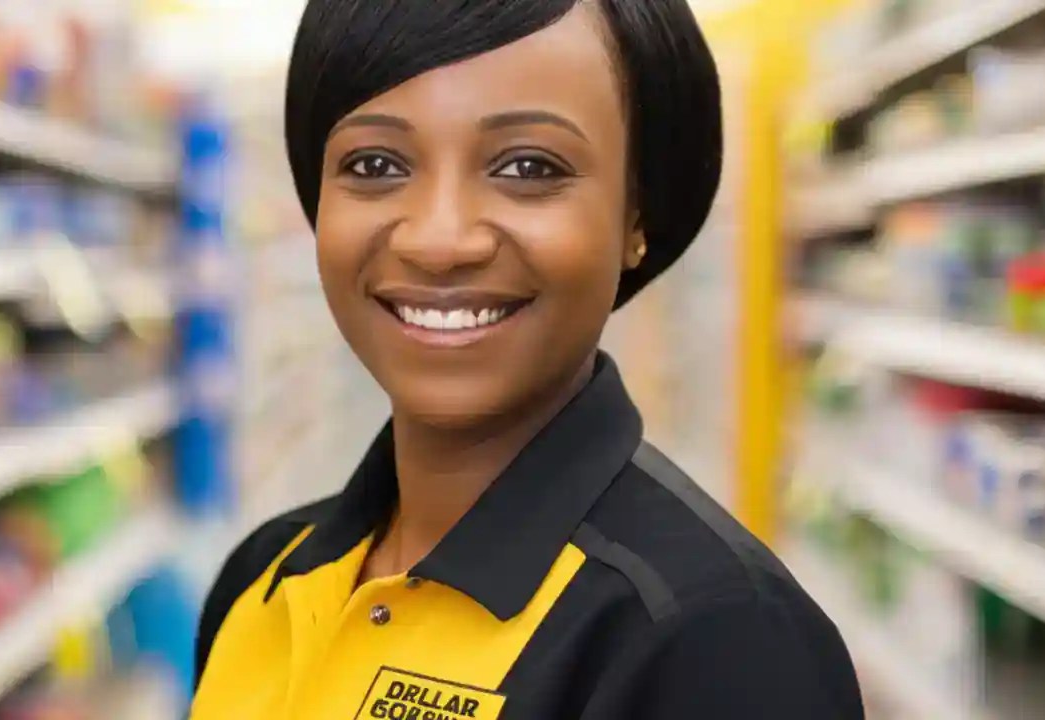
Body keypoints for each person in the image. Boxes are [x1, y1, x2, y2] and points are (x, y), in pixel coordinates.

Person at [192, 1, 864, 718]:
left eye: (528, 166)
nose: (439, 240)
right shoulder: (261, 576)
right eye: (376, 163)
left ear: (637, 215)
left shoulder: (721, 645)